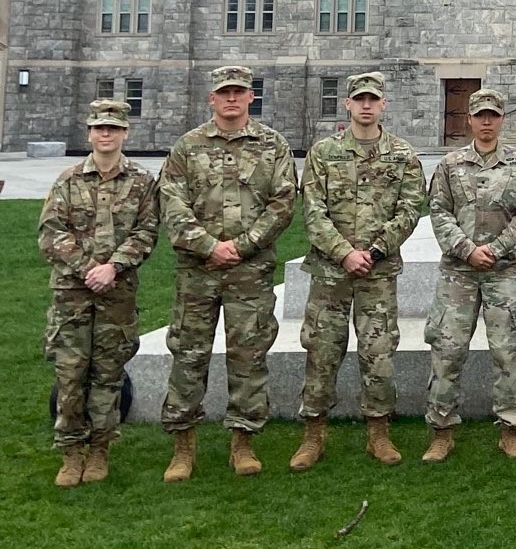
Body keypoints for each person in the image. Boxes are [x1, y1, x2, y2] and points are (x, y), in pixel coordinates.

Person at [157, 63, 298, 481]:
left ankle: (243, 443)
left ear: (251, 96)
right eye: (224, 92)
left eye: (239, 91)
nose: (232, 98)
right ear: (212, 98)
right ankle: (183, 447)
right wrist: (208, 246)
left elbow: (283, 203)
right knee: (188, 355)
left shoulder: (273, 145)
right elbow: (172, 202)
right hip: (197, 272)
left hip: (249, 273)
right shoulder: (188, 146)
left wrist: (241, 246)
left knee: (248, 356)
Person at [290, 71, 426, 471]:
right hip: (331, 275)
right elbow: (313, 212)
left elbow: (410, 209)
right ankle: (313, 435)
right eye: (359, 99)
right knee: (321, 353)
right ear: (347, 104)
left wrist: (377, 250)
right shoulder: (323, 153)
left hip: (378, 275)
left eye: (373, 99)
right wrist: (344, 253)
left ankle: (378, 433)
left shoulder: (402, 154)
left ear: (383, 105)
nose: (366, 106)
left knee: (379, 354)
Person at [38, 99, 159, 487]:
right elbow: (51, 234)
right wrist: (89, 269)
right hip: (71, 296)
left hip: (116, 296)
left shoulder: (141, 182)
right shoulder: (68, 180)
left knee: (108, 375)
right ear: (89, 133)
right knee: (71, 375)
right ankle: (72, 452)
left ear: (125, 133)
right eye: (98, 128)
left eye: (113, 128)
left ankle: (100, 450)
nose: (105, 134)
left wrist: (115, 267)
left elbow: (146, 233)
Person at [421, 87, 516, 463]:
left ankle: (511, 430)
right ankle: (441, 432)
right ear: (469, 120)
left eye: (494, 115)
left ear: (502, 119)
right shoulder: (450, 164)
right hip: (458, 275)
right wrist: (467, 250)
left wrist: (496, 249)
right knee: (447, 351)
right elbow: (438, 212)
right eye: (480, 115)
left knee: (509, 354)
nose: (487, 122)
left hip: (504, 274)